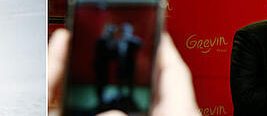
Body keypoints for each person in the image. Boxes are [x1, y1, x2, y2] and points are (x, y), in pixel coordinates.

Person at [48, 28, 201, 116]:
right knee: (102, 87)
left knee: (127, 87)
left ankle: (125, 100)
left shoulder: (130, 41)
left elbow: (135, 45)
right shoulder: (105, 41)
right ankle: (102, 101)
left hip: (128, 69)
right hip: (103, 69)